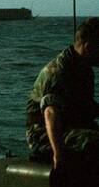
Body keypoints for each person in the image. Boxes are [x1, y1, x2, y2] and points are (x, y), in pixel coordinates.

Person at [26, 18, 99, 169]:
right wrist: (58, 155)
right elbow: (50, 113)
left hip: (72, 127)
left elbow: (87, 108)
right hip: (46, 136)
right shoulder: (58, 71)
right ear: (88, 46)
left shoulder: (84, 69)